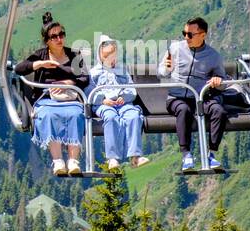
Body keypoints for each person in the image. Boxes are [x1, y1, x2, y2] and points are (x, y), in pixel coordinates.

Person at [14, 13, 90, 176]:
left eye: (61, 35)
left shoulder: (73, 55)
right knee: (48, 115)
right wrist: (40, 64)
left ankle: (73, 160)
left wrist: (68, 83)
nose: (59, 39)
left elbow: (84, 78)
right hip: (46, 98)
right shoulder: (41, 55)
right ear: (47, 40)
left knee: (76, 114)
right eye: (54, 36)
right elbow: (19, 68)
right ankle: (58, 161)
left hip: (70, 97)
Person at [162, 16, 230, 172]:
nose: (186, 37)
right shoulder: (175, 49)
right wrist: (167, 68)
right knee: (183, 110)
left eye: (190, 35)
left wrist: (217, 81)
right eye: (184, 33)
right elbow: (162, 72)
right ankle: (186, 155)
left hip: (200, 98)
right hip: (177, 97)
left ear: (203, 35)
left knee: (218, 111)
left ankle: (211, 154)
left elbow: (223, 83)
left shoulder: (213, 56)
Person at [88, 36, 149, 171]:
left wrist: (124, 96)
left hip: (123, 103)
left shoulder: (122, 70)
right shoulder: (93, 73)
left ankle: (135, 156)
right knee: (110, 118)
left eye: (113, 56)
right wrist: (103, 100)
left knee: (133, 116)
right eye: (107, 56)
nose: (111, 59)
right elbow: (90, 93)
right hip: (104, 104)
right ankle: (112, 158)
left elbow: (131, 89)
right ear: (100, 56)